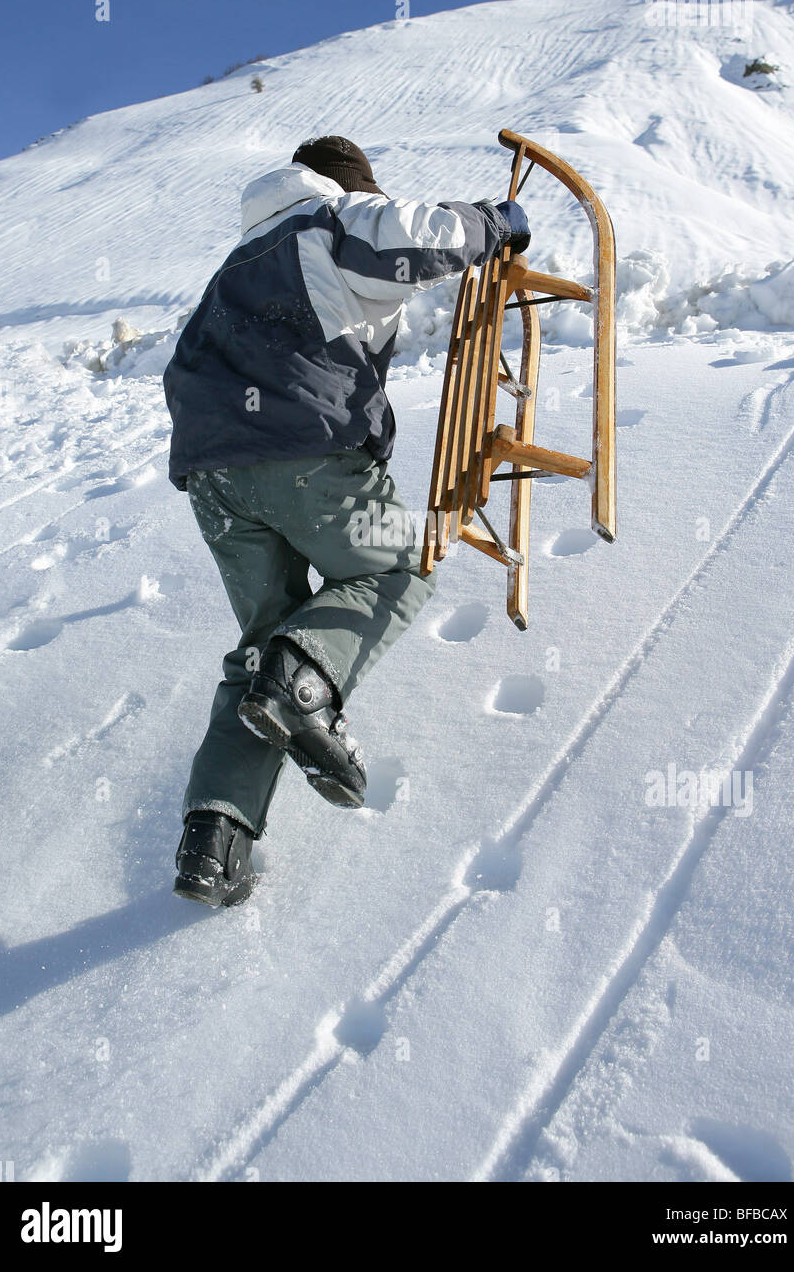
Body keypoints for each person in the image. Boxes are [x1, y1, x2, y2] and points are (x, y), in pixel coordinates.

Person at [163, 134, 530, 907]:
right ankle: (304, 683)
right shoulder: (330, 217)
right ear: (350, 183)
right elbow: (413, 236)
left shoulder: (236, 264)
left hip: (213, 477)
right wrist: (494, 224)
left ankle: (214, 838)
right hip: (303, 454)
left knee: (264, 643)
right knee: (400, 563)